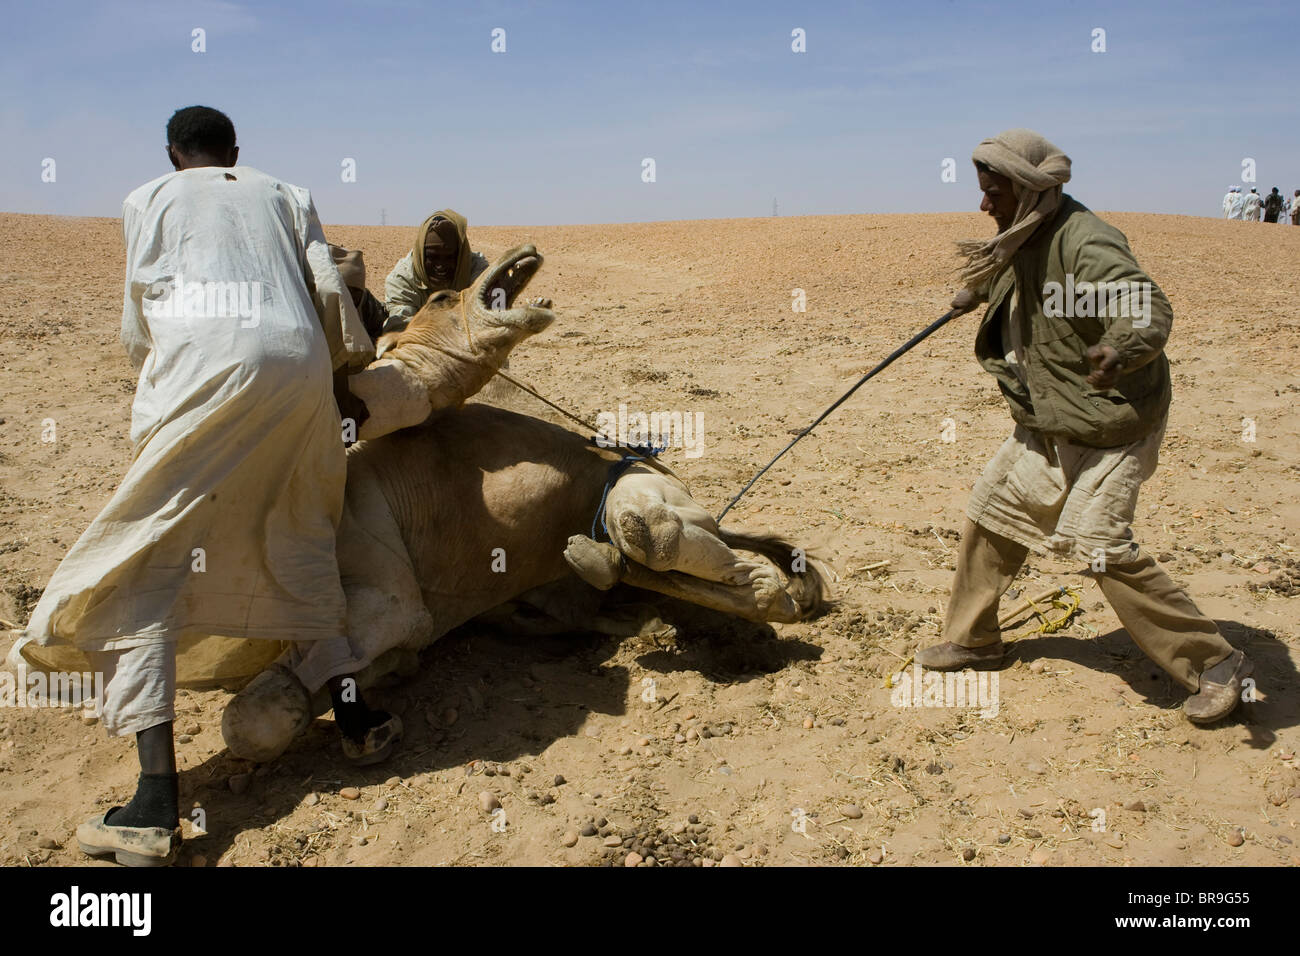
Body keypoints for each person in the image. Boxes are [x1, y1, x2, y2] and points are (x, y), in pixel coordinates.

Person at [22, 106, 398, 866]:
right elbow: (330, 291)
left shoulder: (147, 199)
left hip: (206, 370)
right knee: (298, 538)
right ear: (236, 153)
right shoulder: (286, 191)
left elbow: (141, 319)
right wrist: (334, 379)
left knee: (145, 570)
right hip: (297, 371)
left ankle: (153, 806)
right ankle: (360, 724)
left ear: (172, 156)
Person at [917, 128, 1252, 726]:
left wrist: (1119, 349)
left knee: (1098, 547)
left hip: (1111, 422)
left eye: (993, 192)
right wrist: (975, 291)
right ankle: (974, 641)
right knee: (992, 512)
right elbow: (1015, 269)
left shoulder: (1085, 239)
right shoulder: (1026, 232)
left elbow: (1143, 303)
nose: (983, 205)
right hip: (1051, 418)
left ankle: (1216, 665)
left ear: (1026, 188)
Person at [383, 209, 489, 331]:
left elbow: (487, 322)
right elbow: (404, 331)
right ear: (422, 255)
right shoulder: (403, 279)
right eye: (432, 257)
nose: (440, 266)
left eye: (449, 257)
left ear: (460, 256)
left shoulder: (476, 269)